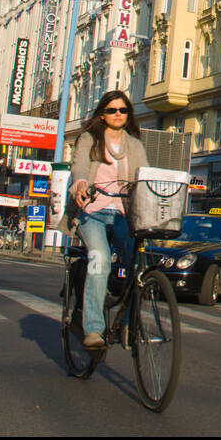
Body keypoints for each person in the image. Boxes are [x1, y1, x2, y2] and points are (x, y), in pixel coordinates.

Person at [63, 91, 149, 350]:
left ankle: (126, 320)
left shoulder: (134, 144)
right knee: (100, 258)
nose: (118, 114)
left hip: (123, 213)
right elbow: (79, 167)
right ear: (102, 114)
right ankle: (93, 329)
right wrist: (79, 186)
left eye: (122, 110)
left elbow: (144, 175)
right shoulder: (89, 139)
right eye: (112, 110)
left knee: (138, 265)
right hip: (93, 211)